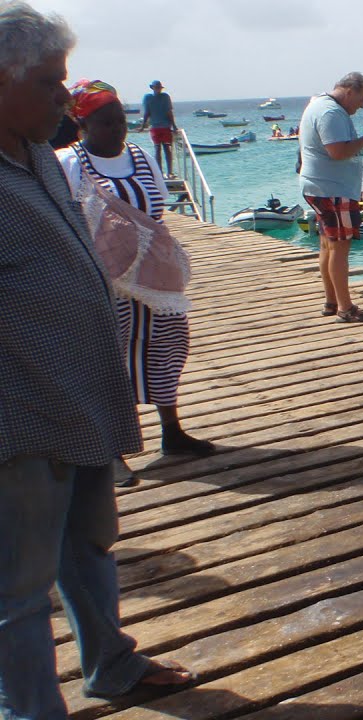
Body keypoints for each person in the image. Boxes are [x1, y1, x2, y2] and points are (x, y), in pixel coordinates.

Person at [0, 4, 192, 716]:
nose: (64, 95)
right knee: (18, 589)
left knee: (91, 546)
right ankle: (30, 708)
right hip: (20, 418)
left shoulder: (35, 154)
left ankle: (109, 662)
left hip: (83, 397)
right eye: (50, 81)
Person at [57, 79, 215, 484]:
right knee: (110, 358)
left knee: (168, 345)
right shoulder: (69, 163)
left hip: (152, 277)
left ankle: (172, 430)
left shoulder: (141, 157)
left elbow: (158, 209)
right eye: (106, 122)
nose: (117, 129)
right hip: (104, 281)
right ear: (83, 123)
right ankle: (110, 449)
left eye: (119, 120)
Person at [298, 71, 363, 323]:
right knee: (340, 248)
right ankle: (345, 308)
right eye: (362, 98)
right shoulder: (330, 112)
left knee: (327, 245)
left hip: (321, 187)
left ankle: (331, 301)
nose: (362, 104)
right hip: (333, 190)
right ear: (349, 91)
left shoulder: (319, 105)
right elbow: (337, 151)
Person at [138, 79, 175, 178]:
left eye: (159, 87)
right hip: (155, 127)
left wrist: (174, 126)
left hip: (166, 126)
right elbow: (147, 113)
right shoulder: (147, 98)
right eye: (156, 87)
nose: (158, 89)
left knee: (167, 149)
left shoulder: (165, 97)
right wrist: (143, 126)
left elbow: (169, 112)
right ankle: (159, 172)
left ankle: (170, 172)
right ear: (152, 88)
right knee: (157, 149)